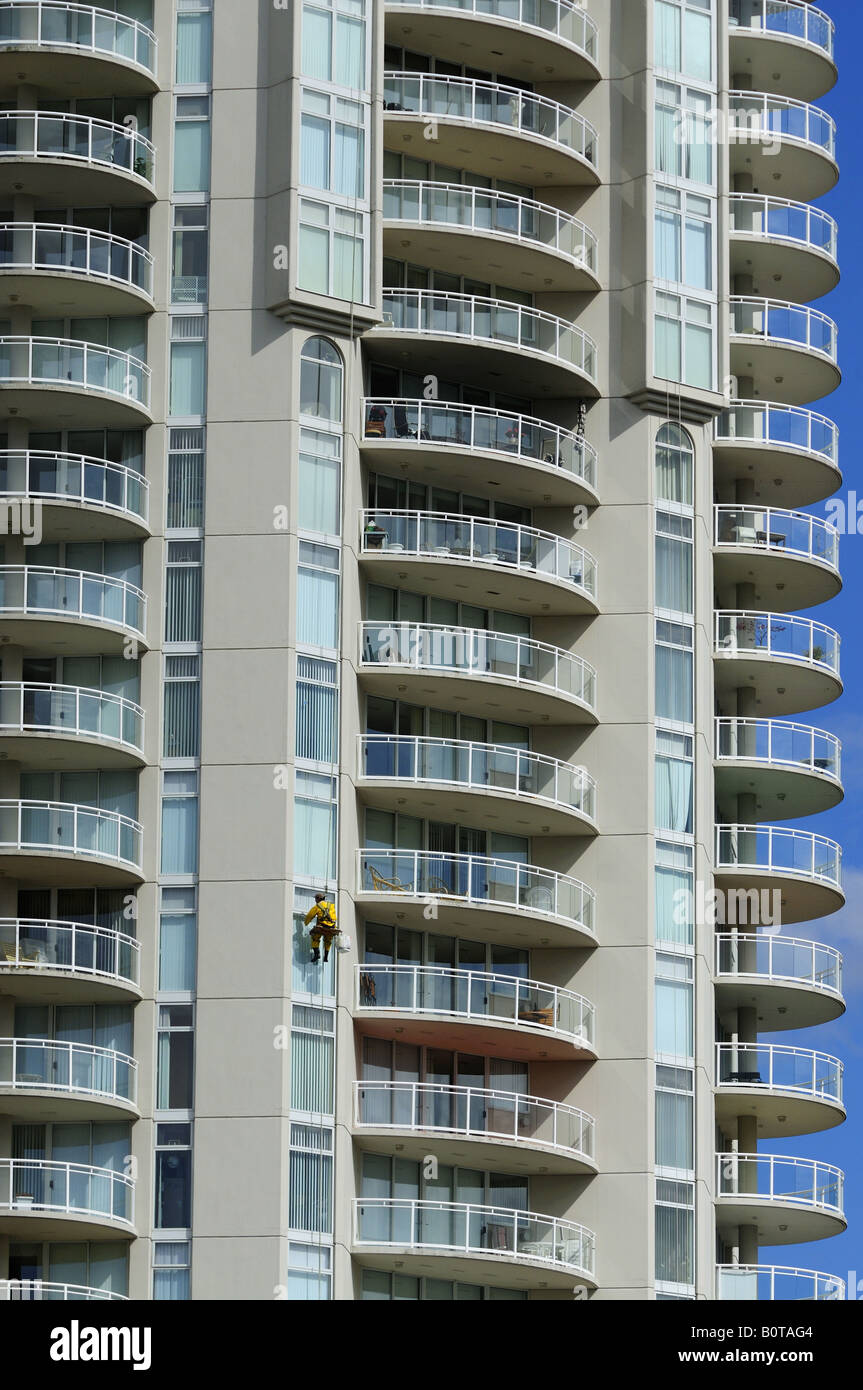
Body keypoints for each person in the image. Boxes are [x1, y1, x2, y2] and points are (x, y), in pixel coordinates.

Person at [304, 892, 340, 962]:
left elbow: (309, 916)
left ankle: (317, 954)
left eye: (315, 899)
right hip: (332, 926)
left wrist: (306, 923)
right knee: (328, 940)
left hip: (322, 926)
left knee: (315, 937)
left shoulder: (317, 906)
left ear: (318, 899)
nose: (315, 900)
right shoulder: (331, 905)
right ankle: (326, 956)